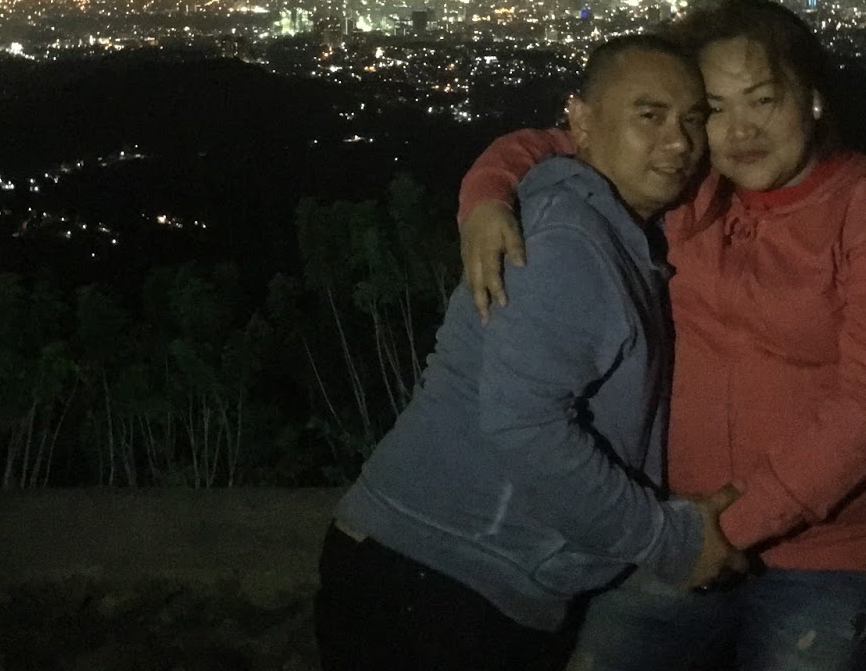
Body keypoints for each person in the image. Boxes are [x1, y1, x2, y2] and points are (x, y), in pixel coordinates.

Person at [458, 0, 866, 671]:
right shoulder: (688, 189)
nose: (739, 129)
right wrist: (485, 196)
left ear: (812, 99)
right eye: (715, 107)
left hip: (823, 555)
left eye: (762, 99)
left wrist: (719, 532)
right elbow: (559, 141)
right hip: (672, 529)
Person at [316, 34, 744, 671]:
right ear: (582, 122)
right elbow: (527, 426)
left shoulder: (607, 226)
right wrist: (667, 538)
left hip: (444, 572)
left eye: (692, 120)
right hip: (441, 580)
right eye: (649, 116)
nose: (680, 143)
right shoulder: (569, 240)